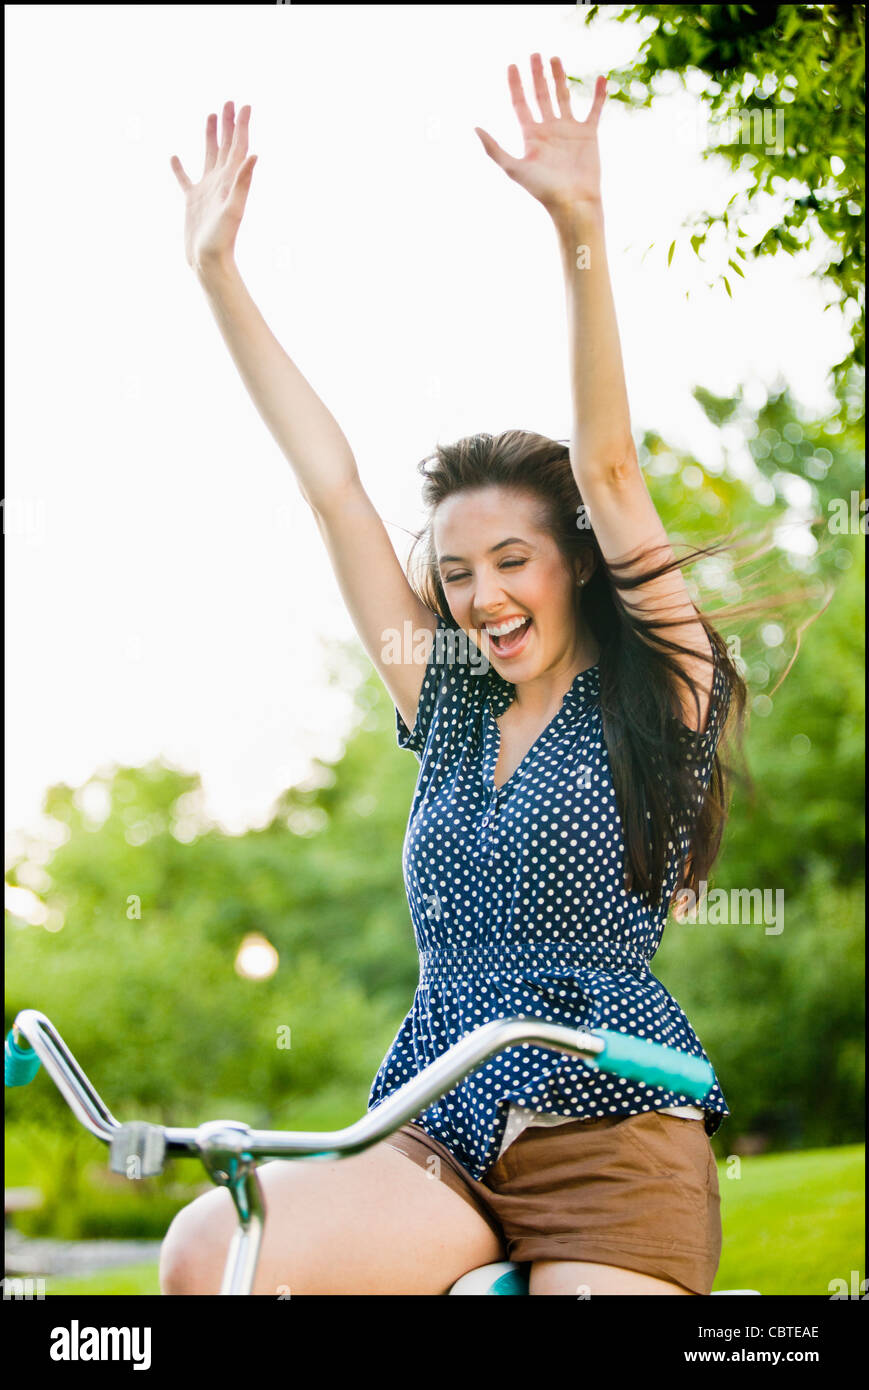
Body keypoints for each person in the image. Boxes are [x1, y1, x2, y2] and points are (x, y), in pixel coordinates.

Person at [161, 53, 746, 1297]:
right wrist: (217, 275)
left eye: (512, 562)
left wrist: (578, 226)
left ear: (576, 566)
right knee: (214, 1251)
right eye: (459, 571)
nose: (481, 597)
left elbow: (611, 469)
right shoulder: (450, 702)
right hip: (437, 1129)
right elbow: (331, 488)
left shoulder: (659, 694)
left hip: (608, 1132)